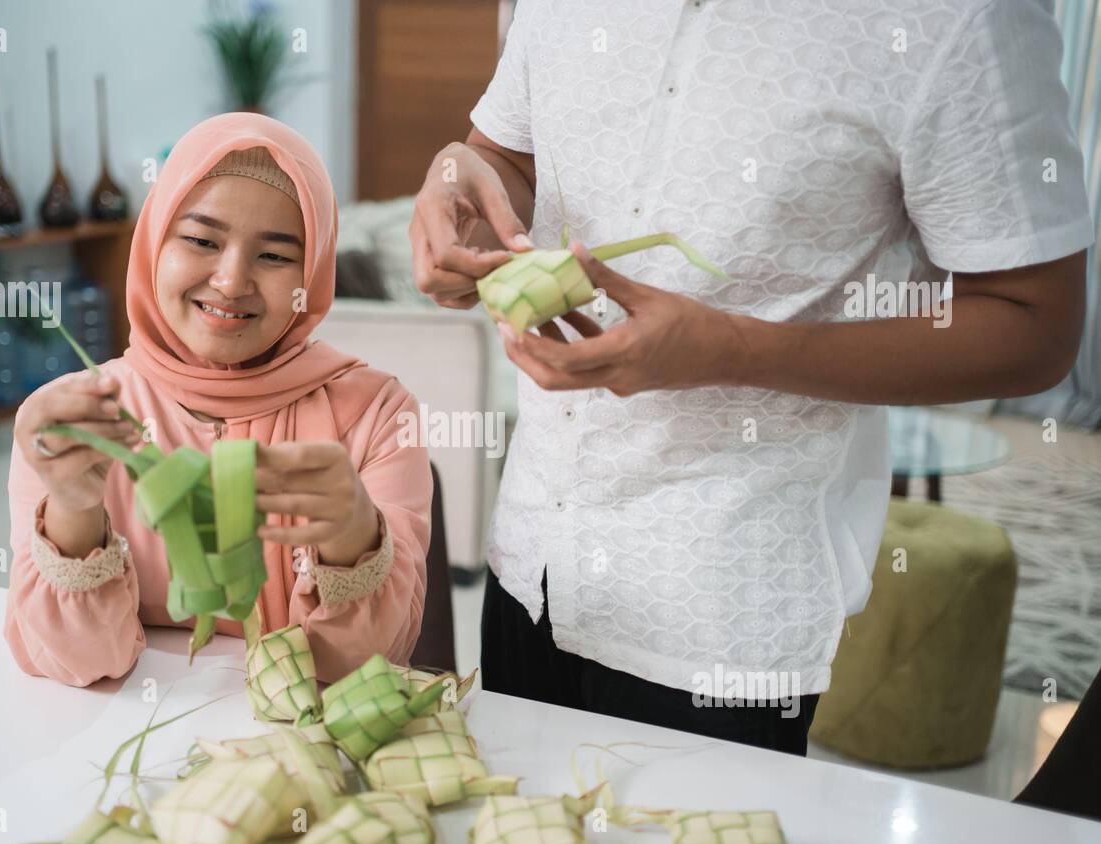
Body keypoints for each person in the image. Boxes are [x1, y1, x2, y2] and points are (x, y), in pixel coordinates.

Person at [410, 0, 1092, 756]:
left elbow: (1035, 322)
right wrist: (456, 185)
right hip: (529, 567)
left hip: (725, 611)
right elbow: (508, 159)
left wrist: (731, 348)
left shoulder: (961, 18)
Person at [5, 113, 432, 687]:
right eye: (202, 240)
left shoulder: (378, 413)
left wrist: (353, 534)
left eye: (276, 256)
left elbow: (371, 667)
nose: (232, 282)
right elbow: (82, 666)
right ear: (154, 242)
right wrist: (75, 509)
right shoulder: (73, 420)